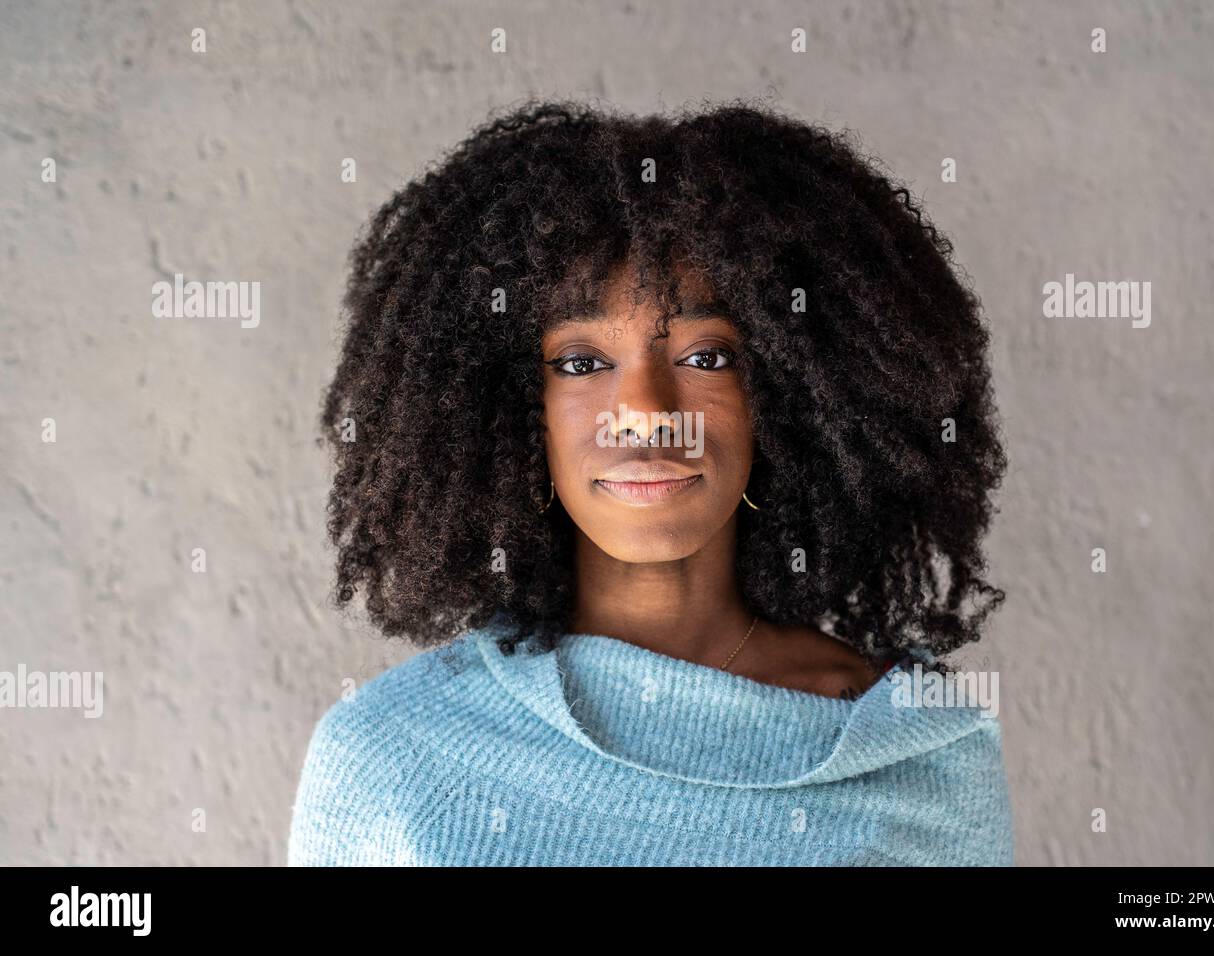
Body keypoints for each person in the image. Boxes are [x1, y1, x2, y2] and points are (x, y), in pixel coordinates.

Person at [289, 98, 1013, 866]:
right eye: (580, 363)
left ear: (797, 396)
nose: (645, 415)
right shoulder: (395, 754)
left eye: (707, 358)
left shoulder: (922, 754)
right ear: (502, 410)